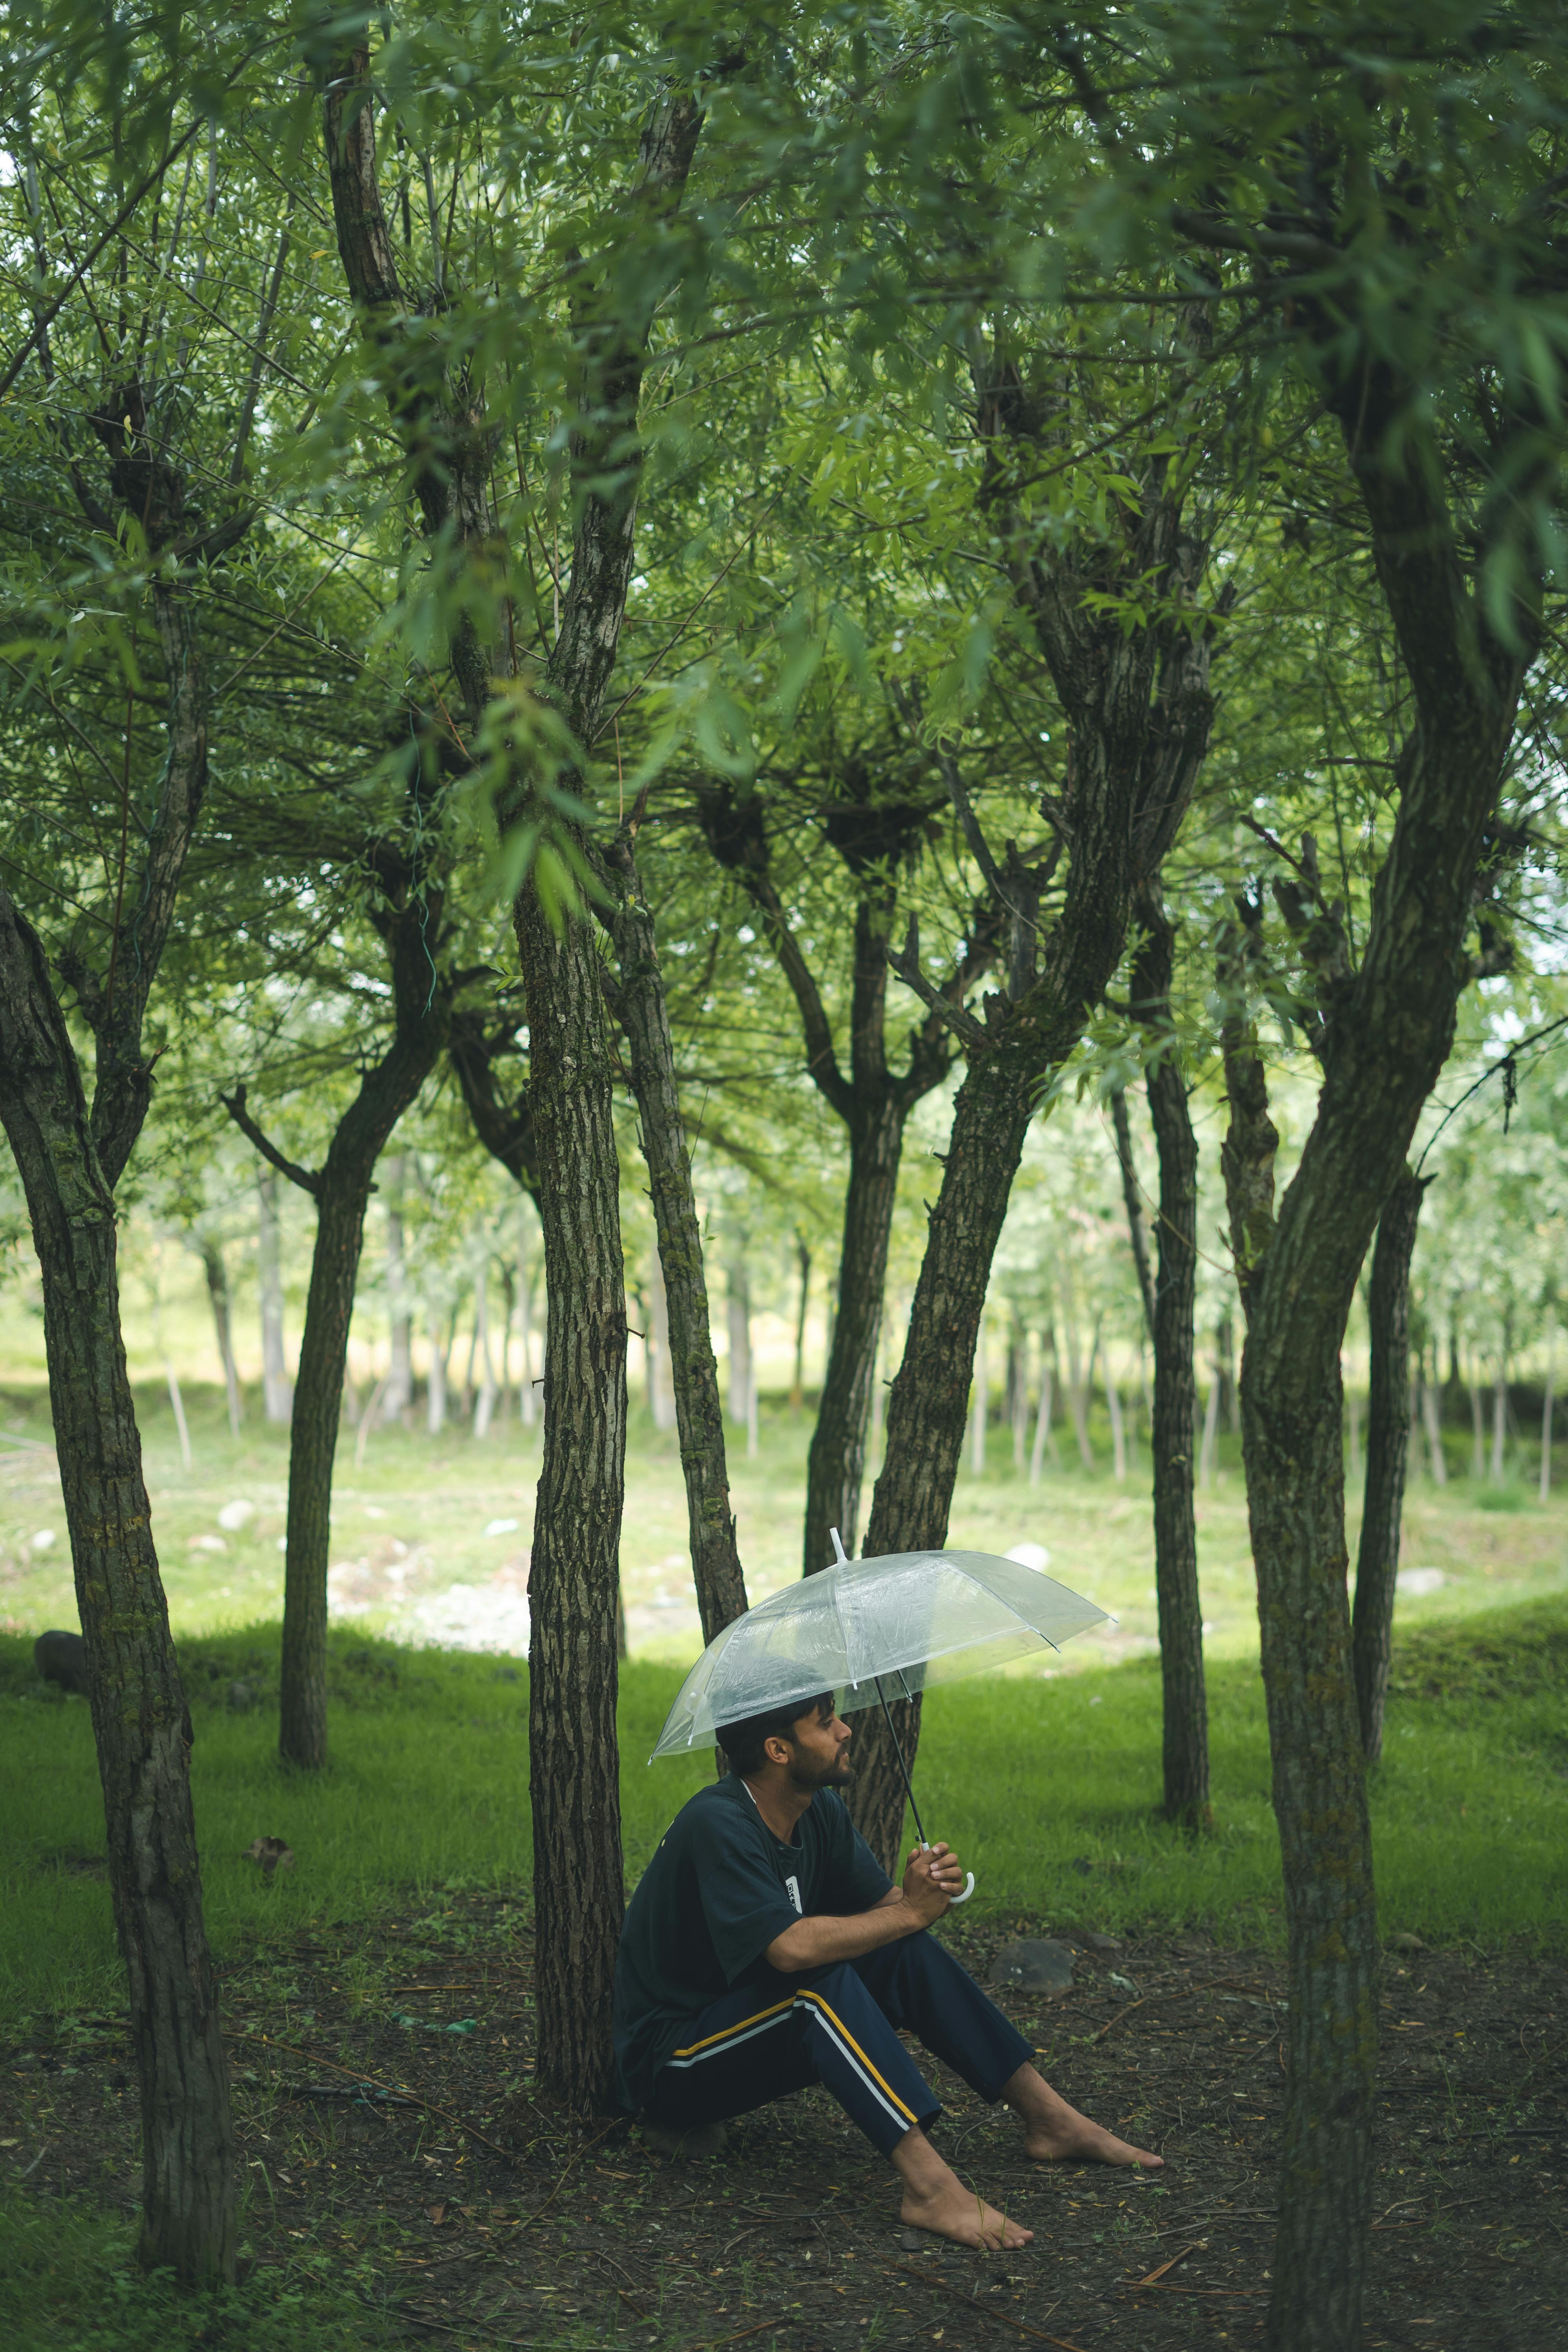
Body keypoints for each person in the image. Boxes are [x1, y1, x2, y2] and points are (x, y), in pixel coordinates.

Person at [613, 1691, 1161, 2248]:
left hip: (749, 2020)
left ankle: (1051, 2120)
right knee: (816, 1989)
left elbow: (888, 1912)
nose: (846, 1731)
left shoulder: (818, 1810)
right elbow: (789, 1951)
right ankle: (929, 2189)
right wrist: (907, 1913)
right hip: (674, 2060)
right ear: (778, 1750)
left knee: (903, 1950)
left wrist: (925, 1894)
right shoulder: (718, 1822)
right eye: (826, 1724)